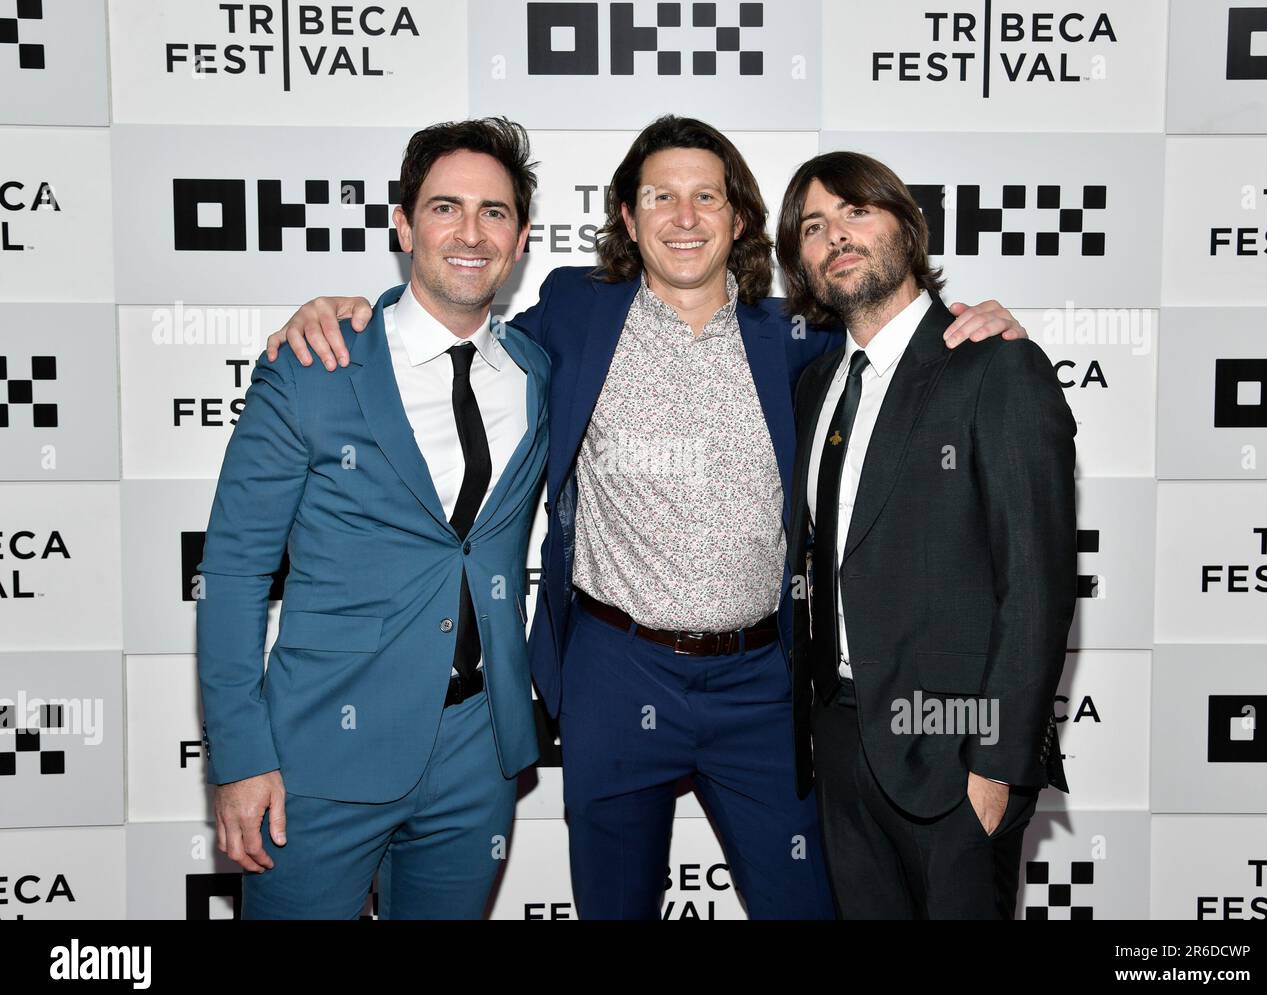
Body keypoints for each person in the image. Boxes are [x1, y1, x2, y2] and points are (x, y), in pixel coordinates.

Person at [264, 116, 1029, 919]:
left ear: (738, 218)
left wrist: (968, 329)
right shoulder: (574, 313)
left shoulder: (794, 338)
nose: (685, 216)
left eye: (707, 196)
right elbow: (453, 332)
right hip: (614, 670)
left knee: (806, 903)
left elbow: (892, 335)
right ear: (628, 217)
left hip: (761, 682)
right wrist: (350, 312)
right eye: (661, 195)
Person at [196, 118, 549, 918]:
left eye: (494, 212)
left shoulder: (534, 372)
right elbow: (233, 571)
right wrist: (241, 757)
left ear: (522, 237)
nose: (469, 232)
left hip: (477, 756)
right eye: (444, 207)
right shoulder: (315, 362)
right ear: (402, 224)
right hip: (317, 753)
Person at [777, 151, 1075, 919]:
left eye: (855, 212)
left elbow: (1035, 587)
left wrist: (998, 770)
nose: (836, 235)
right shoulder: (816, 385)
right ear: (802, 263)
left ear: (906, 229)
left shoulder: (995, 367)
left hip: (955, 760)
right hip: (840, 746)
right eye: (814, 226)